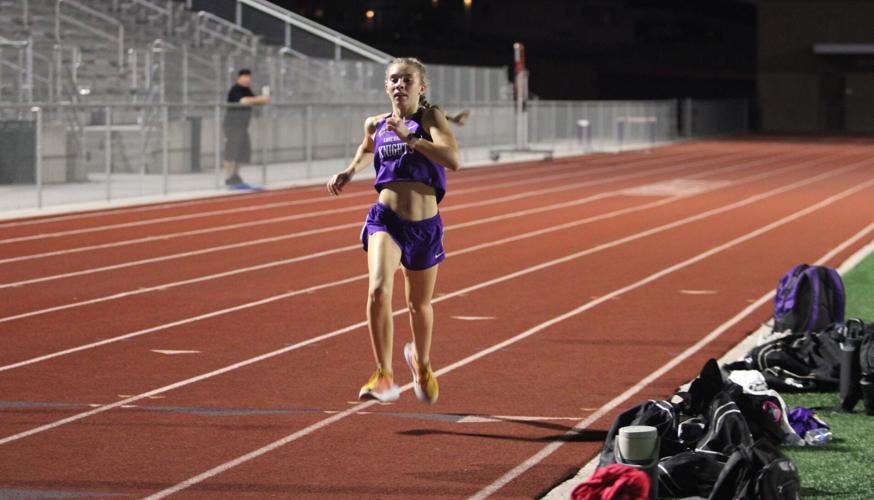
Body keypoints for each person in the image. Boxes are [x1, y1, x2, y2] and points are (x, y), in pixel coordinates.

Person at [327, 57, 460, 404]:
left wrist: (412, 140)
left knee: (418, 305)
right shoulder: (376, 123)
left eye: (407, 80)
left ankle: (423, 363)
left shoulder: (430, 118)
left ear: (421, 87)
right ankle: (384, 374)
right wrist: (350, 170)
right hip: (385, 220)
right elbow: (365, 147)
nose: (400, 85)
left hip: (424, 227)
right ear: (386, 86)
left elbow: (453, 159)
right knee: (378, 290)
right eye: (394, 80)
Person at [223, 69, 270, 186]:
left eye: (249, 77)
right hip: (233, 125)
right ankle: (229, 176)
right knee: (231, 150)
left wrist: (263, 98)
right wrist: (259, 99)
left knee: (241, 151)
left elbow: (258, 101)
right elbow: (244, 101)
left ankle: (236, 174)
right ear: (239, 78)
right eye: (245, 76)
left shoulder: (246, 90)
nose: (248, 79)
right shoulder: (235, 90)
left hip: (243, 126)